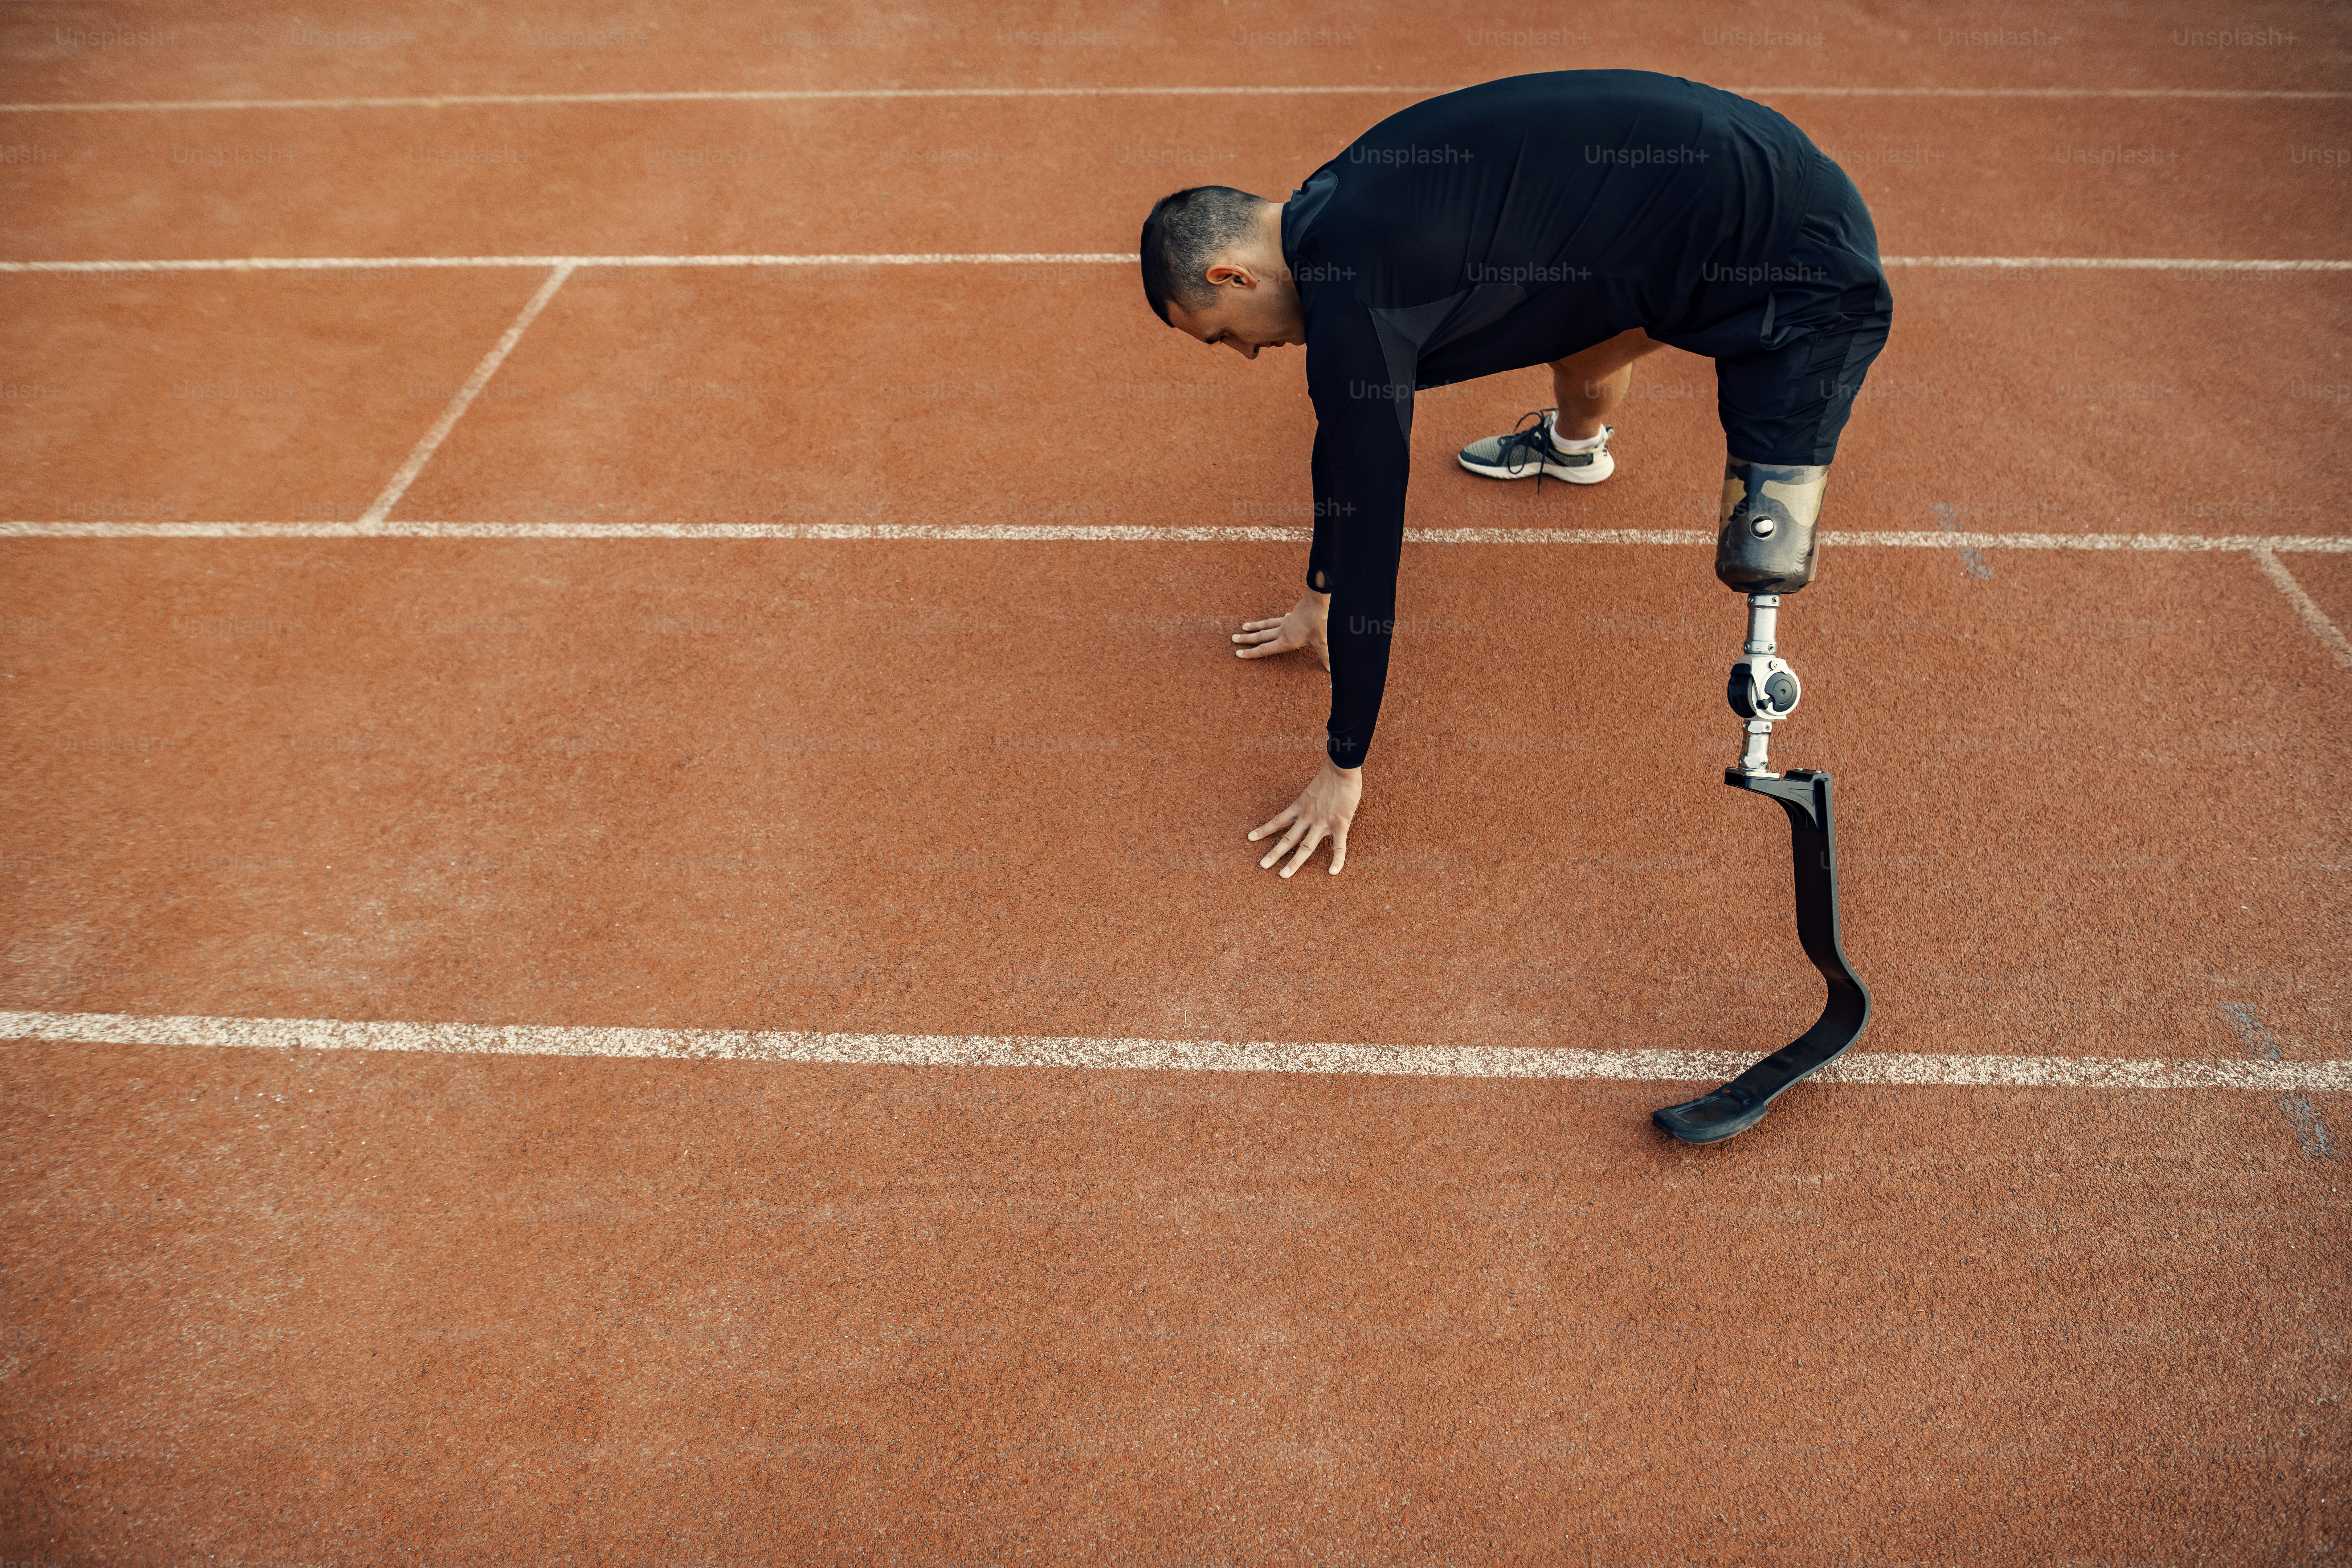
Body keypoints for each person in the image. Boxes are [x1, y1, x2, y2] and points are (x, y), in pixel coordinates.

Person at [1137, 69, 1892, 876]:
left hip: (1802, 269)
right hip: (1719, 183)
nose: (1247, 354)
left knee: (1763, 550)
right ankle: (1576, 448)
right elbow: (1342, 441)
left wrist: (1342, 764)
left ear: (1233, 276)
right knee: (1582, 327)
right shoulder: (1330, 200)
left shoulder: (1354, 298)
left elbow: (1370, 540)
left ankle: (1772, 740)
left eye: (1223, 335)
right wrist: (1317, 595)